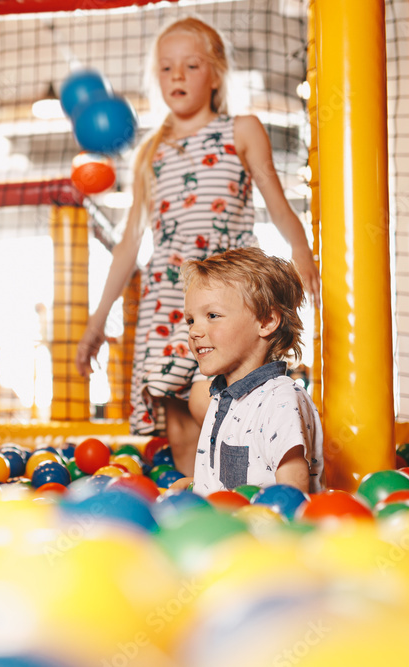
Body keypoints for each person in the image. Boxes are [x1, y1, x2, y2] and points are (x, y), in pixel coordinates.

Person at [75, 16, 320, 475]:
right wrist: (97, 318)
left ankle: (253, 486)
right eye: (166, 69)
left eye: (190, 66)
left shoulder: (240, 130)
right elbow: (130, 242)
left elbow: (276, 200)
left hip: (226, 289)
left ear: (215, 74)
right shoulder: (152, 151)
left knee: (213, 397)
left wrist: (301, 249)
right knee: (172, 406)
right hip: (166, 295)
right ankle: (196, 495)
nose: (177, 77)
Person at [175, 247, 322, 493]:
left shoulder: (280, 400)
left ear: (266, 322)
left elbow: (291, 496)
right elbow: (241, 480)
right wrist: (197, 487)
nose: (194, 331)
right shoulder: (224, 398)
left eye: (212, 315)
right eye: (191, 320)